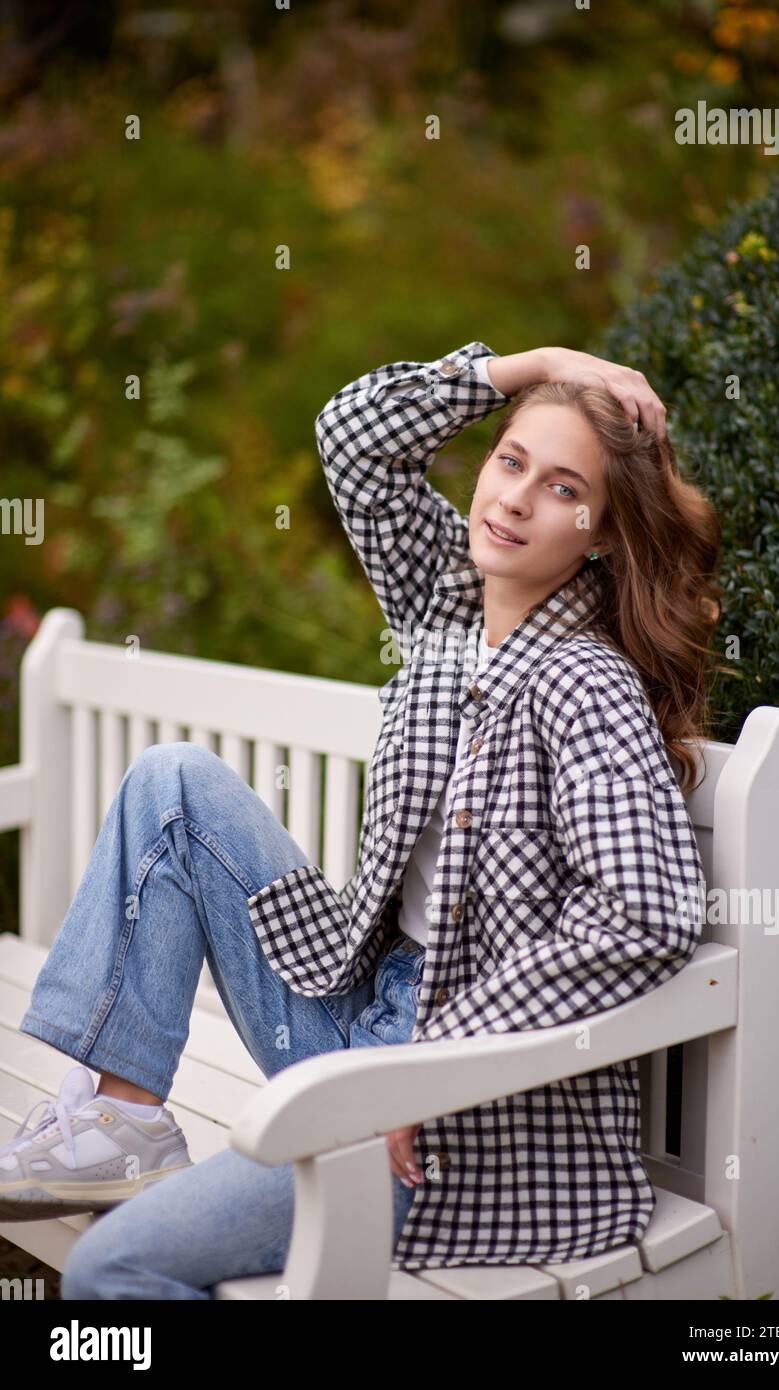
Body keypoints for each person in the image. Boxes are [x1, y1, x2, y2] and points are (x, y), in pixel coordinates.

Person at [3, 341, 720, 1297]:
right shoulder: (447, 611)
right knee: (173, 784)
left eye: (560, 489)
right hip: (357, 1008)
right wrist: (531, 362)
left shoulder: (583, 685)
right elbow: (354, 437)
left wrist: (435, 1058)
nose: (511, 499)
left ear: (599, 534)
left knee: (113, 1268)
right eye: (509, 461)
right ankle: (125, 1123)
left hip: (463, 1113)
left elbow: (646, 911)